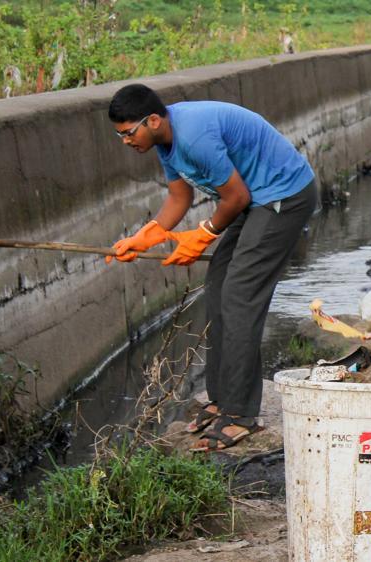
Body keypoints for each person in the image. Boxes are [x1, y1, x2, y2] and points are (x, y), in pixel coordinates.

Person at [107, 84, 317, 452]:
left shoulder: (194, 137)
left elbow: (237, 197)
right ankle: (221, 399)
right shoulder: (166, 140)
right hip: (256, 200)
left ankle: (240, 415)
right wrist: (147, 236)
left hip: (284, 196)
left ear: (152, 120)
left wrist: (201, 236)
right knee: (219, 285)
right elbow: (179, 197)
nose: (125, 141)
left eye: (128, 133)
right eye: (120, 135)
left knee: (240, 296)